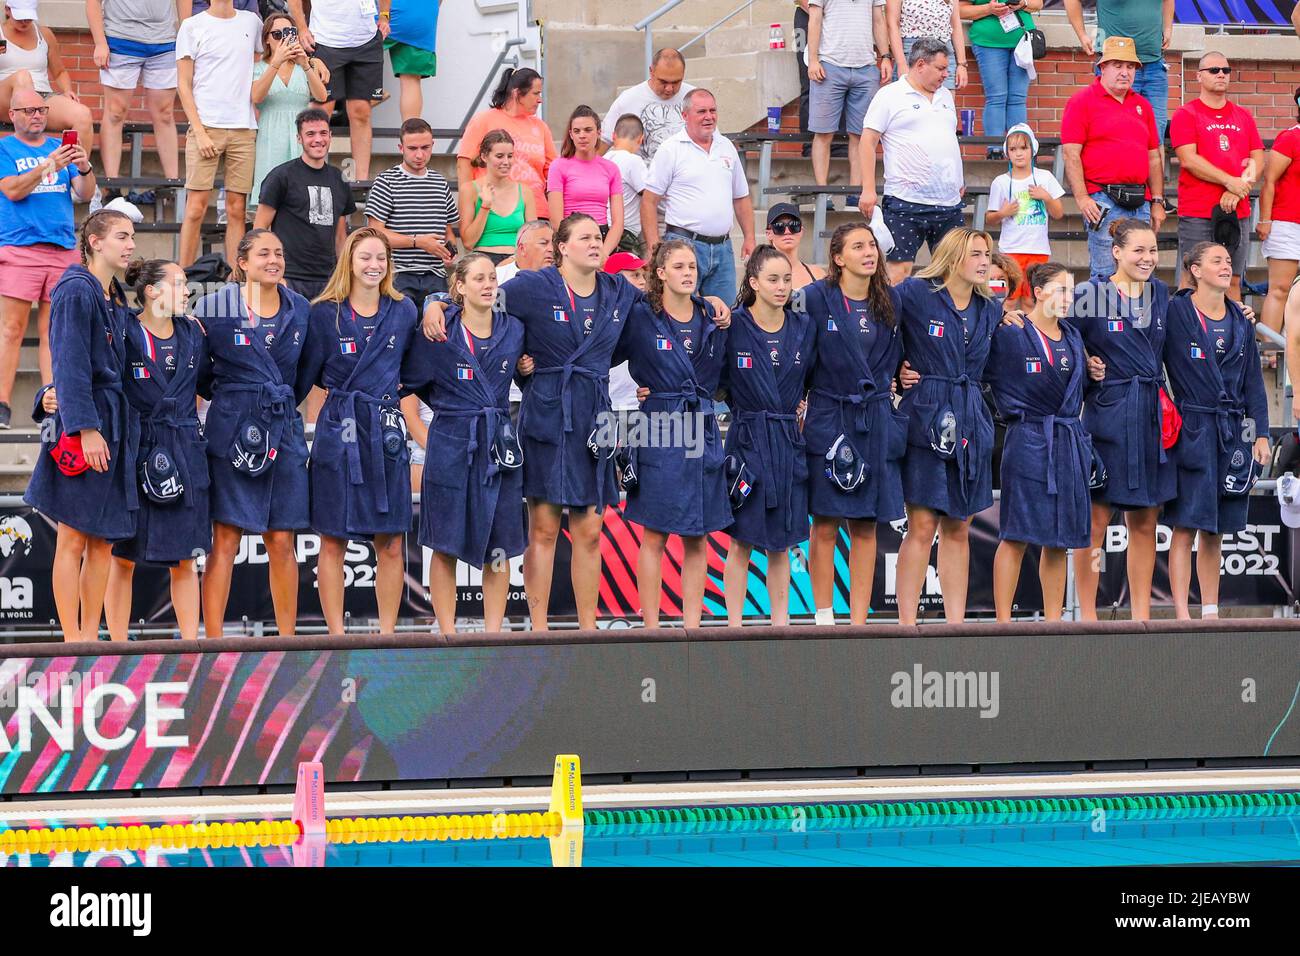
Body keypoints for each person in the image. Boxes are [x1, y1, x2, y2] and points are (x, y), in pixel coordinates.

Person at [24, 209, 138, 641]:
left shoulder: (112, 294)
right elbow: (68, 361)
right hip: (87, 424)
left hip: (112, 422)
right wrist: (84, 428)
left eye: (132, 237)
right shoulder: (75, 288)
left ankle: (92, 637)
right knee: (73, 536)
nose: (130, 244)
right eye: (122, 236)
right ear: (95, 242)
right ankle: (72, 639)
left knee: (102, 541)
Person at [297, 228, 417, 636]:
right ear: (349, 260)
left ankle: (387, 634)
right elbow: (304, 375)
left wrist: (437, 303)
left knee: (392, 541)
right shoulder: (322, 313)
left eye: (380, 258)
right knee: (333, 540)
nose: (373, 265)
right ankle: (335, 635)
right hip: (339, 430)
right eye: (365, 257)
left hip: (384, 432)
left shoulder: (404, 311)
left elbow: (417, 368)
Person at [401, 253, 529, 634]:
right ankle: (447, 631)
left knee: (500, 545)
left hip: (497, 440)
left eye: (492, 277)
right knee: (445, 542)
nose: (489, 284)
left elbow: (530, 374)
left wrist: (527, 369)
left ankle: (493, 633)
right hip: (451, 440)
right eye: (479, 279)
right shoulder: (437, 329)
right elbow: (413, 380)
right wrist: (450, 405)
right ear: (458, 286)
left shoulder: (515, 329)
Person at [194, 229, 311, 638]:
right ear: (242, 262)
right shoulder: (212, 307)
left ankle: (288, 639)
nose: (274, 259)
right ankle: (211, 640)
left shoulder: (300, 308)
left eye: (279, 252)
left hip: (283, 425)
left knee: (281, 538)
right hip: (232, 427)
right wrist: (235, 403)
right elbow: (200, 372)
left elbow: (306, 372)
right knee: (225, 536)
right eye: (263, 253)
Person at [614, 239, 729, 629]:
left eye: (692, 267)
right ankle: (650, 626)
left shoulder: (712, 316)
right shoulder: (640, 315)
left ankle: (693, 628)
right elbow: (600, 351)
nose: (688, 273)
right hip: (659, 424)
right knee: (656, 533)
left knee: (698, 535)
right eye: (678, 266)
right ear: (660, 273)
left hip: (701, 425)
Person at [893, 228, 1000, 625]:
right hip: (926, 415)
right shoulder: (915, 293)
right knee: (922, 525)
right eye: (976, 254)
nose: (984, 261)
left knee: (960, 525)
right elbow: (883, 333)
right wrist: (894, 373)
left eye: (987, 254)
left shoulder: (991, 307)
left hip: (971, 416)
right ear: (954, 257)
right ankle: (906, 623)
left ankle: (956, 624)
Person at [1070, 218, 1175, 622]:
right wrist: (1085, 362)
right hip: (1108, 416)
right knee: (1096, 520)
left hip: (1151, 416)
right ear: (1116, 252)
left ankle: (1141, 615)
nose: (1148, 259)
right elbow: (1057, 334)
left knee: (1146, 520)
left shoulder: (1160, 293)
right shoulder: (1091, 293)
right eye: (1139, 251)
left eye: (1153, 251)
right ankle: (1088, 613)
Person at [802, 223, 904, 626]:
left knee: (865, 524)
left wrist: (907, 370)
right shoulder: (813, 298)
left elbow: (914, 350)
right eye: (858, 246)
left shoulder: (892, 301)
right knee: (825, 522)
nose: (869, 252)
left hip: (874, 418)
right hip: (830, 415)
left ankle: (859, 621)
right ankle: (824, 618)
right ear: (838, 257)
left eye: (873, 245)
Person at [104, 258, 210, 642]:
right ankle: (115, 645)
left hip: (183, 449)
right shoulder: (123, 330)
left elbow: (212, 384)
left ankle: (190, 645)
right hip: (135, 449)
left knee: (185, 558)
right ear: (151, 291)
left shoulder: (195, 333)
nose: (187, 291)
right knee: (122, 557)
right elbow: (97, 378)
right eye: (180, 284)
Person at [1164, 243, 1270, 621]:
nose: (1226, 266)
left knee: (1216, 530)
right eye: (1216, 261)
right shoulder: (1175, 311)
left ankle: (1210, 610)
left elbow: (1254, 383)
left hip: (1233, 431)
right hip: (1193, 426)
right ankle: (1180, 614)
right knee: (1185, 524)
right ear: (1194, 269)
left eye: (1228, 261)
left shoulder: (1241, 320)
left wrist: (1260, 434)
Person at [986, 261, 1093, 623]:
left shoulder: (1073, 336)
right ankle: (1002, 621)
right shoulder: (1012, 332)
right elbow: (979, 370)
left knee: (1058, 541)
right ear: (1038, 292)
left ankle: (1053, 620)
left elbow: (1077, 386)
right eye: (1061, 290)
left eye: (1071, 291)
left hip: (1066, 438)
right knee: (1016, 533)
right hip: (1028, 438)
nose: (1068, 298)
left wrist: (1093, 373)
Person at [721, 245, 814, 627]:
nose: (781, 287)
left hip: (787, 441)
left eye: (787, 280)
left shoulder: (803, 327)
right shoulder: (733, 325)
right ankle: (732, 626)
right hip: (747, 441)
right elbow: (712, 377)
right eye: (773, 280)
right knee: (740, 541)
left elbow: (816, 377)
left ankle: (781, 624)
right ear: (754, 282)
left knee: (782, 542)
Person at [0, 87, 96, 431]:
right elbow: (12, 189)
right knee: (11, 329)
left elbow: (85, 194)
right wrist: (47, 167)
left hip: (62, 247)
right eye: (28, 110)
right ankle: (2, 404)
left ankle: (52, 401)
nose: (37, 116)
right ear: (13, 115)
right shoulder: (4, 147)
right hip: (20, 246)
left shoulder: (59, 147)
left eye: (41, 109)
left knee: (54, 331)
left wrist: (83, 167)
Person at [1060, 35, 1167, 283]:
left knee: (1141, 273)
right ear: (1102, 67)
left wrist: (1158, 201)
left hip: (1140, 201)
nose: (1124, 72)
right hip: (1102, 200)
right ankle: (1107, 323)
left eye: (1130, 67)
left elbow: (1153, 157)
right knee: (1106, 272)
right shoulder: (1081, 102)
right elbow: (1071, 153)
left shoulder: (1143, 105)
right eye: (1117, 65)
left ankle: (1137, 322)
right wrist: (1082, 197)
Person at [859, 37, 964, 285]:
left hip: (948, 202)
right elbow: (867, 141)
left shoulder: (946, 96)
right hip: (906, 201)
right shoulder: (890, 95)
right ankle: (891, 324)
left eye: (947, 69)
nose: (945, 74)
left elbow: (948, 140)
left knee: (954, 274)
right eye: (940, 69)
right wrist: (868, 188)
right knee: (898, 272)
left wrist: (959, 179)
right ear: (919, 65)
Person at [642, 89, 755, 301]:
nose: (709, 116)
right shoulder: (671, 149)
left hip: (723, 248)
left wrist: (749, 236)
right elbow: (649, 201)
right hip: (683, 244)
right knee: (680, 312)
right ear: (685, 116)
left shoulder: (726, 147)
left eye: (713, 110)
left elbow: (740, 196)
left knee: (725, 317)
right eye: (701, 111)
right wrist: (654, 247)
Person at [175, 0, 262, 268]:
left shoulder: (252, 22)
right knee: (195, 208)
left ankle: (238, 277)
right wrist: (199, 131)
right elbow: (183, 84)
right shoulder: (192, 26)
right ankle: (183, 275)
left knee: (237, 209)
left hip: (243, 128)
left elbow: (259, 66)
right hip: (207, 126)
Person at [1170, 52, 1264, 301]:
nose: (1221, 74)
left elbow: (1259, 160)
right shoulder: (1186, 113)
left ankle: (1236, 338)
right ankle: (1186, 336)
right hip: (1198, 211)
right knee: (1192, 278)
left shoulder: (1243, 115)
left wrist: (1239, 187)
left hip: (1237, 211)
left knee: (1232, 278)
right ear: (1198, 76)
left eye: (1225, 70)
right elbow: (1189, 159)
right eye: (1213, 70)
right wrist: (1228, 180)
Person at [253, 108, 356, 301]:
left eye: (323, 133)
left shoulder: (339, 179)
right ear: (299, 138)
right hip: (289, 277)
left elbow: (340, 237)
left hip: (329, 280)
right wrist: (274, 276)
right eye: (310, 134)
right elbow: (259, 230)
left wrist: (343, 278)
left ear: (330, 136)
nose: (318, 139)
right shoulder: (281, 176)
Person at [364, 117, 459, 317]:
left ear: (433, 145)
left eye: (425, 147)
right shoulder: (386, 181)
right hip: (398, 274)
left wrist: (450, 251)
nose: (419, 154)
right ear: (401, 148)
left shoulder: (440, 182)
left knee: (437, 337)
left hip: (435, 275)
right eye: (412, 148)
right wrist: (417, 242)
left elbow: (448, 230)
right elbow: (374, 234)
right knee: (400, 334)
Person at [87, 0, 183, 194]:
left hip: (165, 40)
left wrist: (186, 34)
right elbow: (93, 2)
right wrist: (100, 42)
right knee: (115, 112)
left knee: (165, 113)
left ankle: (172, 184)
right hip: (120, 37)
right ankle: (112, 185)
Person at [287, 0, 387, 182]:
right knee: (320, 111)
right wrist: (301, 28)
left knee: (361, 111)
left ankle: (361, 182)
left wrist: (384, 15)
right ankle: (312, 176)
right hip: (326, 40)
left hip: (366, 40)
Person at [806, 0, 891, 207]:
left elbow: (879, 19)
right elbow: (814, 19)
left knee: (861, 135)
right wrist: (813, 59)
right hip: (829, 64)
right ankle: (822, 194)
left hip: (866, 66)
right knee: (823, 133)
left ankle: (854, 195)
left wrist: (886, 56)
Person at [249, 13, 330, 210]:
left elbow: (321, 96)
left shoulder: (305, 65)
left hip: (301, 136)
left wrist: (306, 63)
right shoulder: (258, 68)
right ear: (266, 39)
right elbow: (256, 97)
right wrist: (276, 62)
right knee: (270, 200)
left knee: (304, 200)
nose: (283, 39)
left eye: (288, 33)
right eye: (277, 34)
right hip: (271, 136)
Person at [1063, 0, 1174, 137]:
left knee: (1157, 135)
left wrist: (1168, 28)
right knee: (1116, 133)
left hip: (1155, 64)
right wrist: (1082, 35)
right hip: (1115, 66)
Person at [457, 68, 555, 218]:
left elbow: (553, 170)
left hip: (536, 210)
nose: (540, 99)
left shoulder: (540, 126)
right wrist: (468, 205)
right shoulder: (484, 120)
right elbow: (464, 164)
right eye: (535, 93)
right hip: (495, 209)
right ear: (517, 93)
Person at [985, 122, 1065, 305]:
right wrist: (1002, 213)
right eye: (1013, 149)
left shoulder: (1045, 177)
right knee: (1008, 300)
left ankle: (1029, 333)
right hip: (1010, 252)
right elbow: (989, 218)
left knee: (1032, 301)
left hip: (1038, 250)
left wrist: (1046, 197)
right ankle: (1009, 333)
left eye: (1023, 148)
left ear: (1032, 149)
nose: (1018, 153)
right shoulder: (1001, 182)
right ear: (1007, 152)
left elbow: (1059, 213)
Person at [0, 0, 94, 149]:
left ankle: (74, 168)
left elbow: (59, 71)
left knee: (83, 115)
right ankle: (26, 152)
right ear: (7, 10)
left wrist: (67, 90)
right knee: (22, 77)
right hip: (5, 96)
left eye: (28, 17)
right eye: (20, 17)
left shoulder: (44, 34)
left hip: (41, 96)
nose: (24, 21)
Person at [962, 0, 1040, 150]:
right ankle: (994, 151)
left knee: (1018, 98)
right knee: (996, 97)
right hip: (988, 42)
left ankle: (1019, 153)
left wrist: (1022, 3)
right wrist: (989, 9)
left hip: (1022, 41)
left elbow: (1038, 4)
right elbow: (959, 10)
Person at [548, 106, 623, 259]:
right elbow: (556, 221)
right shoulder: (559, 166)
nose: (582, 135)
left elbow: (618, 223)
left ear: (599, 133)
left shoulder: (611, 168)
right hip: (571, 235)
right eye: (577, 131)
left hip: (601, 236)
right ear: (571, 134)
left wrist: (604, 253)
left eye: (588, 130)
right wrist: (572, 247)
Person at [600, 48, 694, 162]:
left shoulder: (694, 98)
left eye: (676, 82)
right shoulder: (629, 99)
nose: (669, 88)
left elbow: (712, 140)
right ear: (651, 71)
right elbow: (603, 142)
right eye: (663, 82)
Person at [1259, 89, 1300, 334]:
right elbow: (1269, 181)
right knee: (1280, 289)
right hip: (1287, 222)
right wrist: (1265, 219)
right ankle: (1269, 352)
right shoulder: (1290, 138)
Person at [457, 129, 531, 265]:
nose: (506, 161)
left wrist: (513, 260)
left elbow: (532, 238)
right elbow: (468, 242)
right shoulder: (469, 189)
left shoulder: (525, 191)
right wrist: (485, 205)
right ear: (484, 157)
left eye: (510, 156)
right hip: (483, 261)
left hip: (516, 261)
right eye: (499, 156)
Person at [886, 0, 968, 91]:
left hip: (944, 51)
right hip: (913, 51)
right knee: (909, 99)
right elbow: (892, 24)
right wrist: (901, 63)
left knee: (944, 101)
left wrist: (962, 64)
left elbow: (955, 25)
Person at [604, 114, 648, 257]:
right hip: (624, 234)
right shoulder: (633, 161)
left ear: (613, 136)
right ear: (641, 139)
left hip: (602, 229)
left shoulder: (603, 160)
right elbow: (649, 194)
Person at [387, 0, 439, 121]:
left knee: (347, 49)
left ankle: (368, 94)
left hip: (388, 10)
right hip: (424, 12)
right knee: (411, 80)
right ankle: (411, 134)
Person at [766, 203, 824, 286]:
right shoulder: (761, 274)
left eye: (794, 225)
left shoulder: (818, 274)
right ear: (768, 234)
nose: (787, 231)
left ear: (801, 231)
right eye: (779, 226)